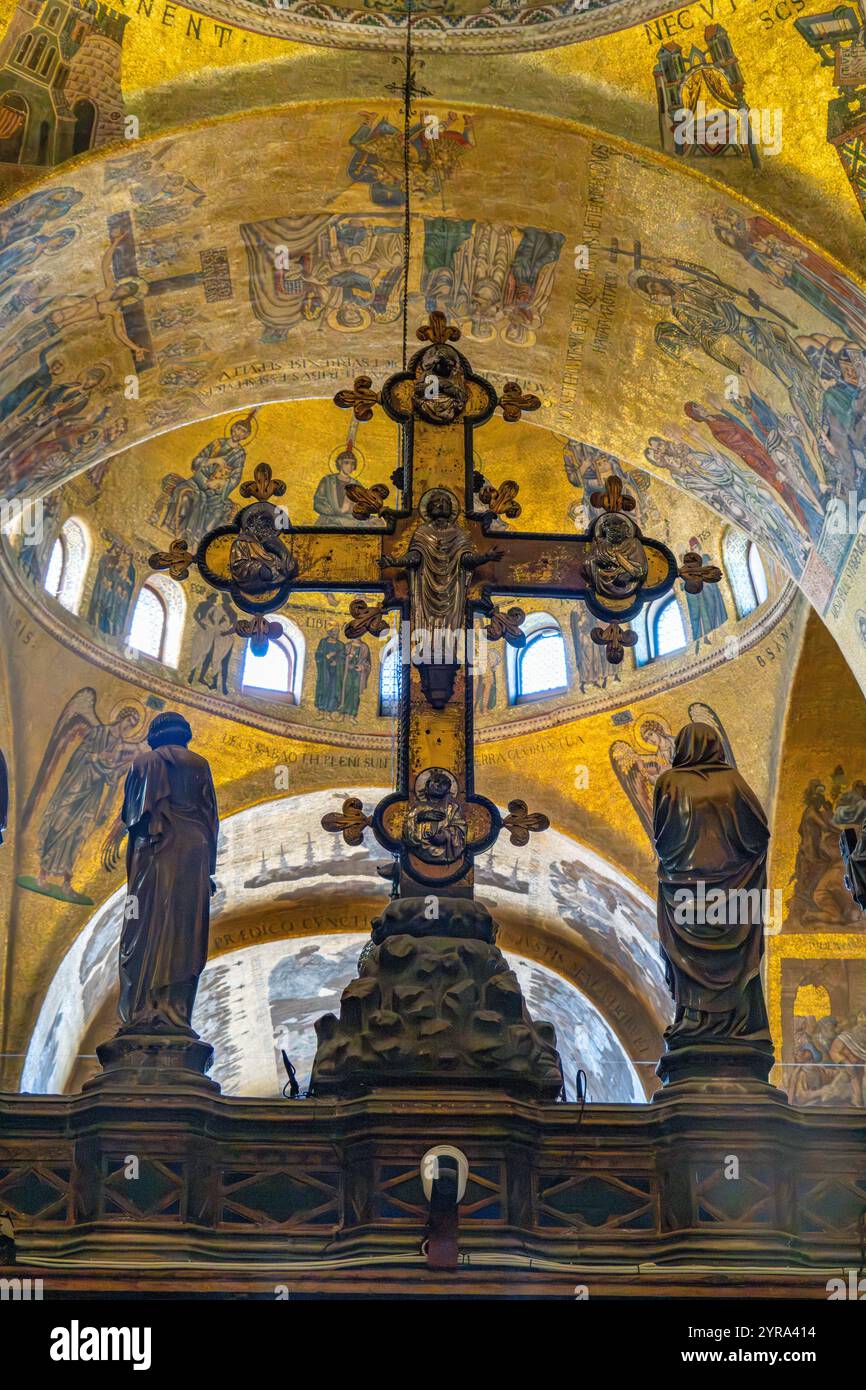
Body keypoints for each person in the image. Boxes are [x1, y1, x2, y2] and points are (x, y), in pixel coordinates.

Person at [653, 721, 772, 1047]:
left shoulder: (669, 782)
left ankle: (692, 1022)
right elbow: (760, 834)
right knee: (736, 955)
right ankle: (741, 1025)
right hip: (734, 888)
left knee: (687, 958)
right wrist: (739, 868)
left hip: (684, 890)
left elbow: (662, 840)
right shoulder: (733, 781)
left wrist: (683, 866)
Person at [118, 712, 219, 1032]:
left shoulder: (143, 764)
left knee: (144, 925)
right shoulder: (200, 765)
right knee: (185, 928)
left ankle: (144, 1009)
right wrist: (207, 870)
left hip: (153, 852)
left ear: (154, 735)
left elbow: (134, 817)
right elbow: (210, 817)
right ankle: (175, 1009)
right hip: (193, 853)